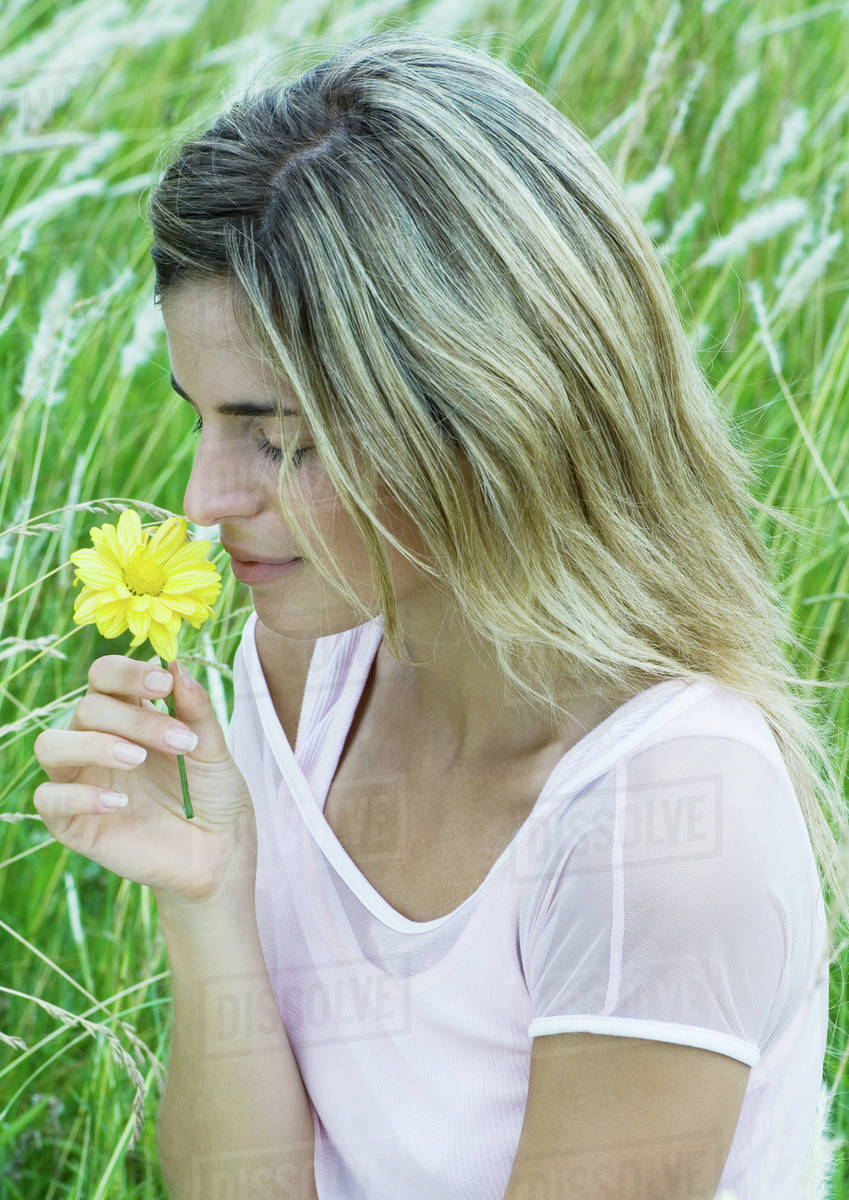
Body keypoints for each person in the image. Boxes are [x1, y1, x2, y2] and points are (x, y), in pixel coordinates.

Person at [34, 29, 843, 1200]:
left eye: (281, 439)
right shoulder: (303, 667)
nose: (206, 502)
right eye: (201, 420)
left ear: (487, 414)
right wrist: (204, 895)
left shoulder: (665, 820)